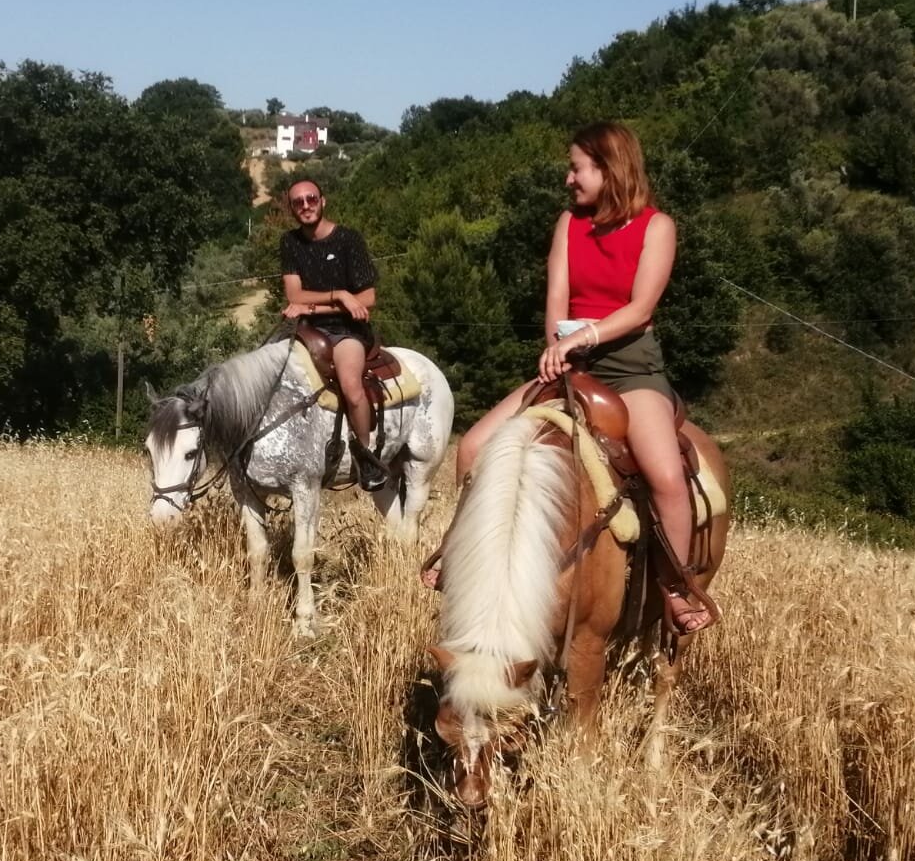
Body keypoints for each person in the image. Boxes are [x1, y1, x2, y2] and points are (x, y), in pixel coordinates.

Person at [427, 121, 713, 633]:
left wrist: (579, 340)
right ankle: (465, 555)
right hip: (570, 363)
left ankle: (677, 587)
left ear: (609, 168)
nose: (569, 178)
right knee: (472, 448)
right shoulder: (569, 224)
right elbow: (556, 298)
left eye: (577, 167)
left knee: (668, 479)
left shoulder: (657, 227)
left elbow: (640, 307)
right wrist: (556, 347)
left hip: (630, 369)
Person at [278, 177, 389, 492]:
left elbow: (367, 299)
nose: (305, 206)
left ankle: (365, 455)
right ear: (292, 209)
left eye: (311, 198)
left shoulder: (348, 240)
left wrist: (314, 308)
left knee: (352, 387)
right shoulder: (290, 243)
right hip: (306, 332)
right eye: (297, 202)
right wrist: (340, 295)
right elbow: (294, 296)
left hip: (346, 332)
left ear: (323, 201)